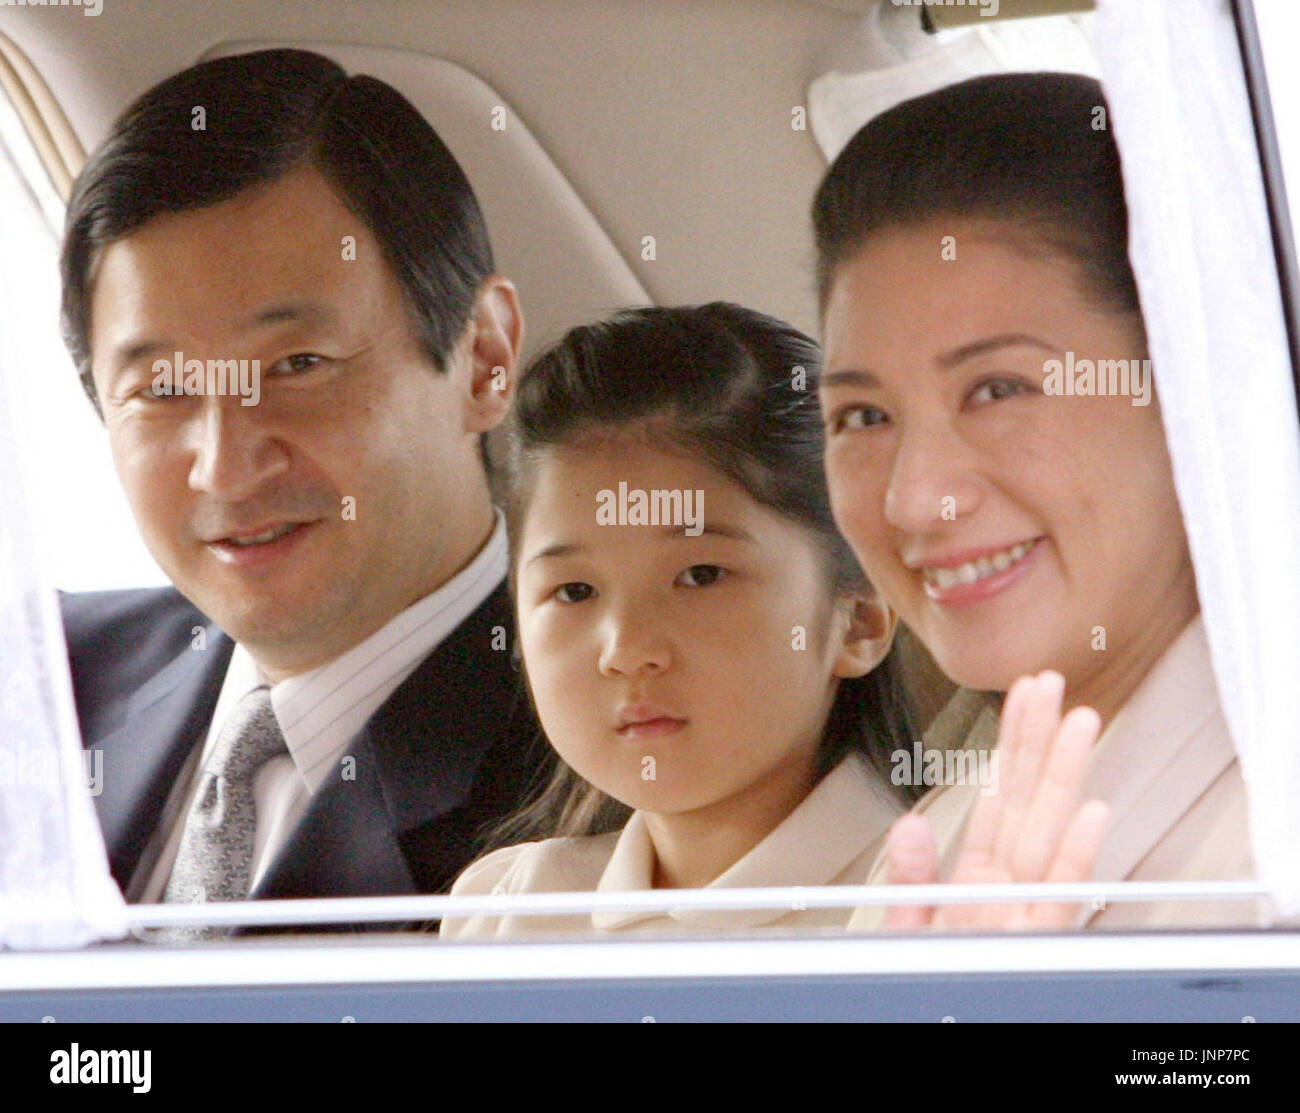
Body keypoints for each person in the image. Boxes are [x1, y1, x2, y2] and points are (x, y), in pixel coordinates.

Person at [58, 48, 551, 920]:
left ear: (484, 359)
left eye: (296, 364)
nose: (225, 464)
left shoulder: (622, 771)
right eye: (162, 389)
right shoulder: (40, 683)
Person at [811, 72, 1263, 929]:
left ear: (1186, 388)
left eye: (998, 389)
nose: (915, 499)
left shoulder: (1271, 844)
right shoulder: (922, 861)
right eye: (862, 415)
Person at [440, 303, 918, 939]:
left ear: (860, 618)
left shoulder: (936, 907)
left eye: (701, 576)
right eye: (574, 590)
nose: (628, 649)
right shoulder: (507, 911)